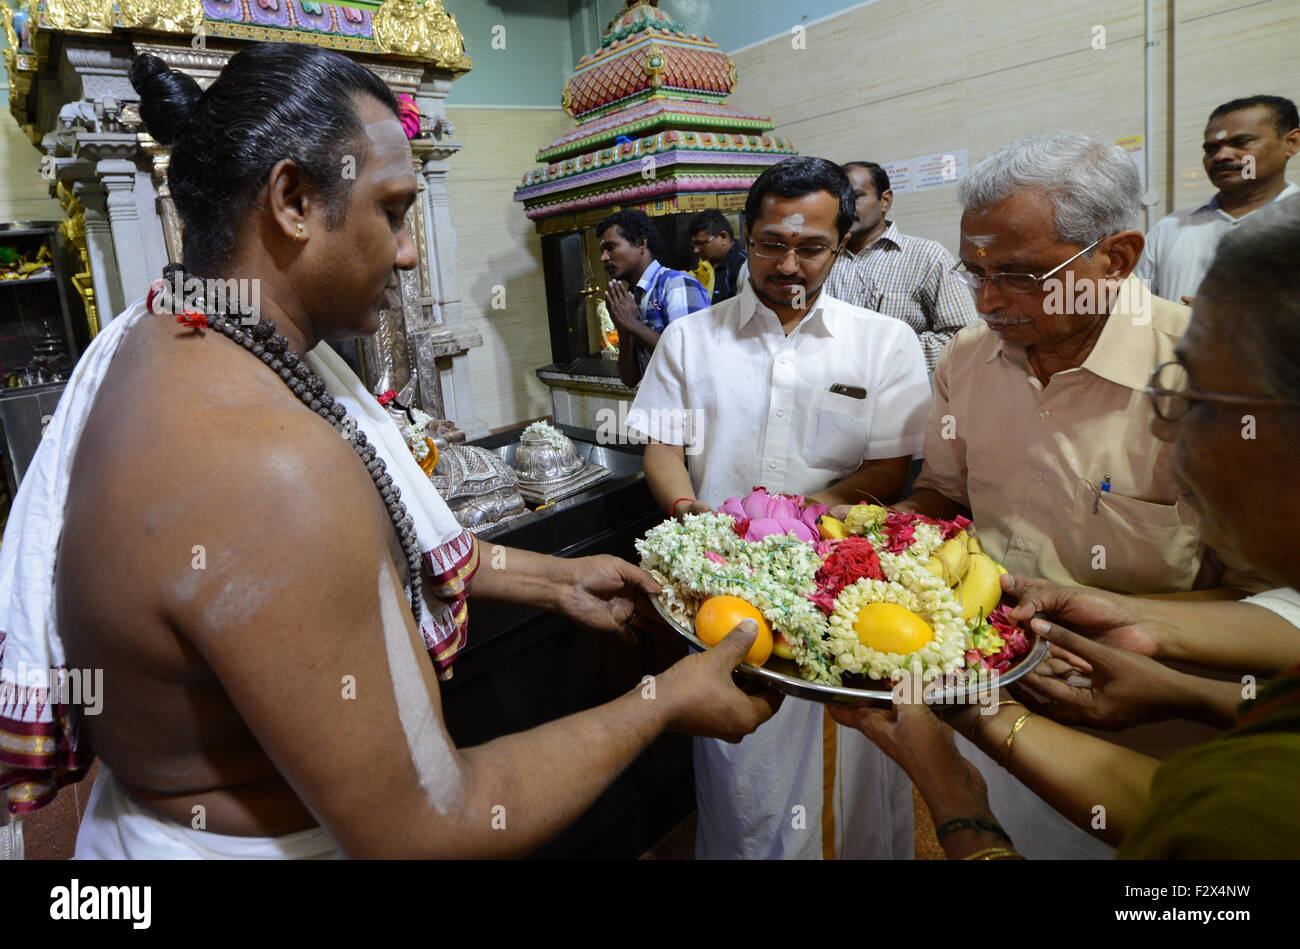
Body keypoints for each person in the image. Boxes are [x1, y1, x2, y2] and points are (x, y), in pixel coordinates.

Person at [0, 44, 778, 858]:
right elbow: (429, 824)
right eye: (393, 210)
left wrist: (552, 577)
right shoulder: (270, 468)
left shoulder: (164, 337)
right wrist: (663, 699)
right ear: (294, 199)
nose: (408, 252)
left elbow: (371, 543)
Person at [831, 197, 1300, 858]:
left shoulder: (1242, 799)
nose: (989, 299)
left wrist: (955, 801)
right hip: (1006, 700)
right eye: (975, 273)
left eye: (1020, 275)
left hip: (1147, 740)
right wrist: (891, 535)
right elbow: (943, 491)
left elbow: (1183, 816)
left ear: (1117, 258)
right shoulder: (968, 358)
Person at [630, 156, 932, 859]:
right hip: (724, 594)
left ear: (841, 245)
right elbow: (663, 449)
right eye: (771, 242)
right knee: (744, 774)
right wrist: (695, 516)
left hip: (842, 603)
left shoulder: (882, 342)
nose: (787, 263)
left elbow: (889, 467)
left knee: (854, 771)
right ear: (746, 233)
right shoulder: (690, 340)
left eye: (810, 247)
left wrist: (793, 519)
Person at [1137, 95, 1299, 304]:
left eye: (1241, 143)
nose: (1222, 156)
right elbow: (1135, 310)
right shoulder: (1169, 229)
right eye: (1211, 149)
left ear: (1291, 143)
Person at [825, 161, 978, 371]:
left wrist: (891, 354)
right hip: (828, 390)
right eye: (838, 199)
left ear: (885, 200)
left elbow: (964, 339)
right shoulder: (822, 257)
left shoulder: (927, 256)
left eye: (856, 196)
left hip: (898, 393)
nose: (845, 206)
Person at [598, 209, 709, 387]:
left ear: (641, 243)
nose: (603, 258)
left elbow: (689, 362)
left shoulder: (675, 284)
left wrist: (632, 324)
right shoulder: (632, 297)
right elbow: (630, 380)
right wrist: (625, 332)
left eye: (611, 247)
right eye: (602, 250)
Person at [687, 209, 747, 304]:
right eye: (694, 245)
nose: (696, 250)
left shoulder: (742, 266)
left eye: (701, 243)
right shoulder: (702, 267)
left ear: (723, 237)